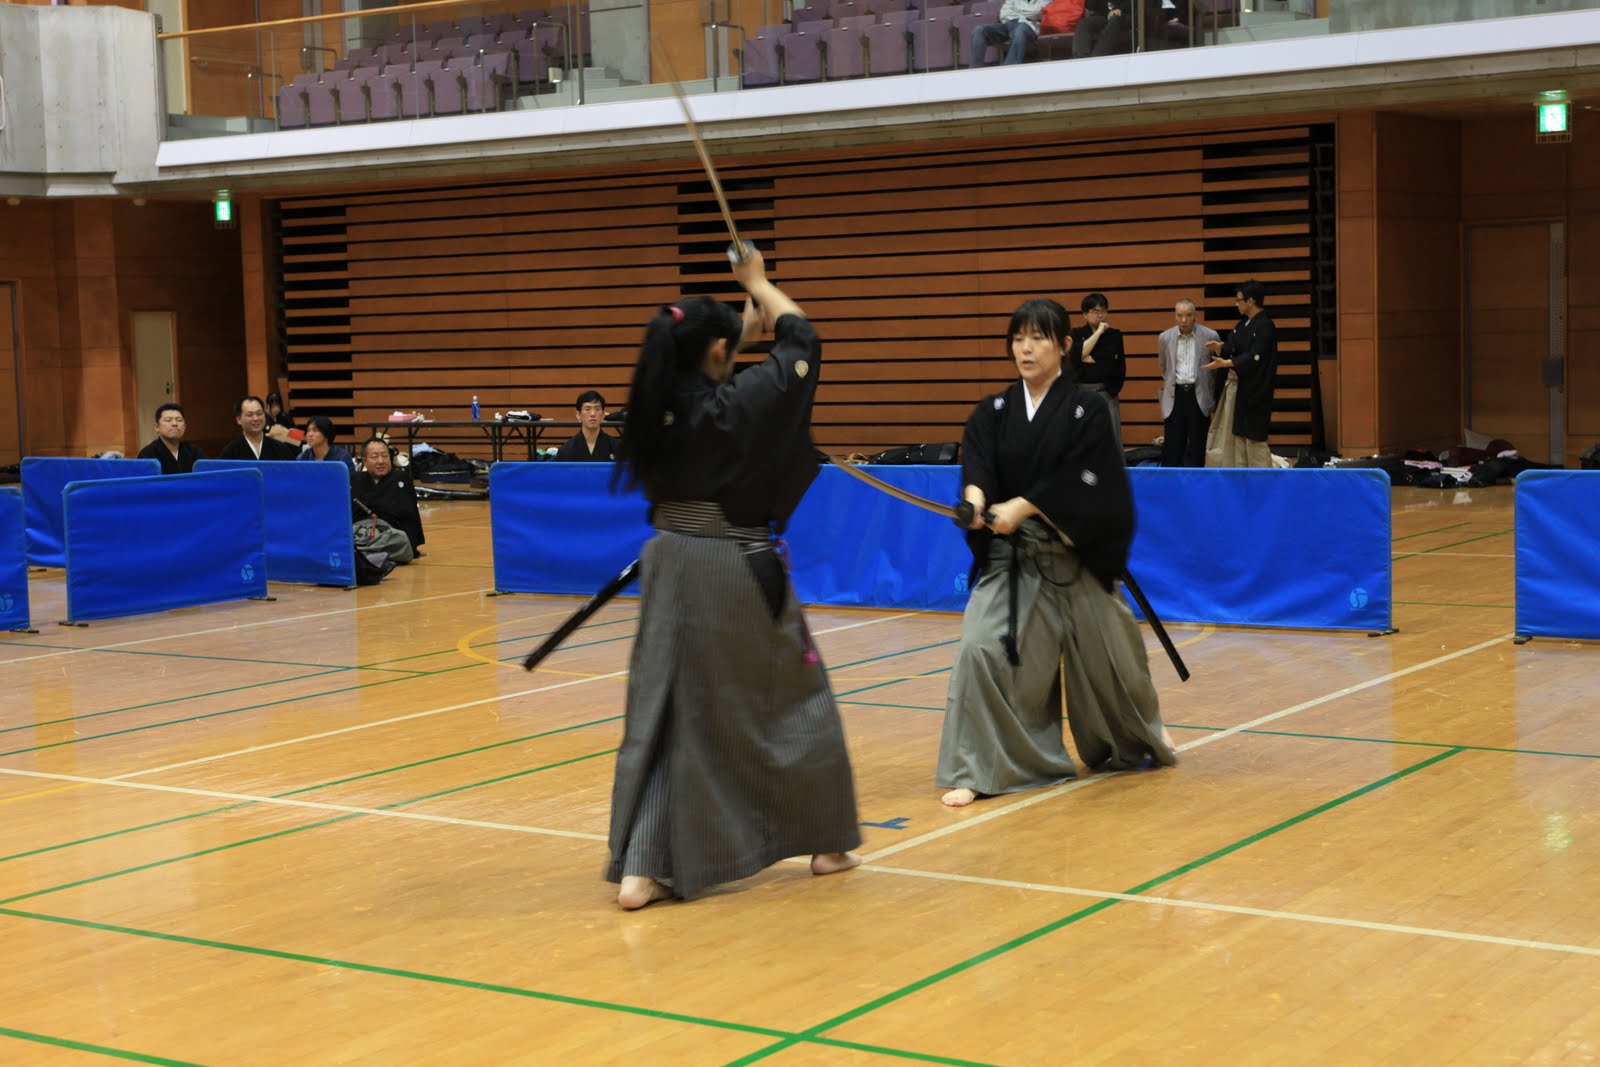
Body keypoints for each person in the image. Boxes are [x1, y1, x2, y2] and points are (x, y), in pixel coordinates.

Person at [606, 247, 860, 910]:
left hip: (672, 565)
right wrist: (759, 282)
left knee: (674, 712)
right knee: (797, 697)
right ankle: (826, 840)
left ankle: (645, 862)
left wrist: (736, 328)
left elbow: (723, 365)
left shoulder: (655, 404)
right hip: (734, 567)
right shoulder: (735, 406)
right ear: (719, 351)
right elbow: (802, 339)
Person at [937, 297, 1176, 808]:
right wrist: (977, 504)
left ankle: (1135, 739)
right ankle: (979, 765)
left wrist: (1022, 507)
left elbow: (1090, 481)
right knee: (980, 648)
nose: (1026, 347)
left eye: (1039, 337)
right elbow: (977, 468)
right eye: (1018, 337)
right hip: (1015, 563)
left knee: (1117, 667)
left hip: (1077, 558)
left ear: (1064, 346)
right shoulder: (992, 411)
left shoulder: (1088, 409)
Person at [1203, 279, 1277, 468]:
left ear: (1250, 301)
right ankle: (1241, 479)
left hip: (1254, 391)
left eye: (1239, 300)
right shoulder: (1242, 325)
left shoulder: (1265, 325)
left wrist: (1228, 362)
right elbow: (1233, 347)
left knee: (1253, 439)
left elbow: (1255, 357)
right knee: (1235, 438)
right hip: (1237, 391)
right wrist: (1220, 348)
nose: (1237, 304)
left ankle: (1261, 483)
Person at [1157, 299, 1219, 467]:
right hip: (1175, 394)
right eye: (1180, 315)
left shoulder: (1210, 335)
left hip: (1198, 395)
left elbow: (1216, 370)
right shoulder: (1164, 337)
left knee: (1199, 445)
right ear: (1175, 316)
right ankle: (1173, 487)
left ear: (1195, 316)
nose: (1184, 320)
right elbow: (1164, 367)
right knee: (1173, 447)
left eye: (1188, 315)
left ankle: (1198, 488)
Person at [1068, 292, 1126, 451]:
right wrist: (1099, 332)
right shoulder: (1075, 334)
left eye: (1104, 310)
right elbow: (1075, 358)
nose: (1100, 315)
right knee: (1080, 438)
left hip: (1105, 392)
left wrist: (1088, 357)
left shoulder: (1114, 335)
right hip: (1080, 393)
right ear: (1085, 314)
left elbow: (1111, 365)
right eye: (1094, 311)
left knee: (1111, 439)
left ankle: (1113, 474)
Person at [352, 437, 425, 558]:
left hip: (389, 535)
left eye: (385, 456)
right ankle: (371, 556)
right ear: (364, 461)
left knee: (400, 540)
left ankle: (365, 556)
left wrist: (413, 547)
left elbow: (410, 516)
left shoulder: (400, 478)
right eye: (375, 457)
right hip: (360, 532)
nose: (381, 461)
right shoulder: (354, 479)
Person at [970, 0, 1051, 66]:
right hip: (1008, 24)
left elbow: (1036, 13)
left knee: (1020, 31)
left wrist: (1015, 9)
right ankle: (975, 70)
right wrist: (1026, 12)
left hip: (1029, 25)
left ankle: (1009, 69)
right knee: (979, 30)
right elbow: (1004, 14)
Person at [219, 396, 299, 460]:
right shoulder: (230, 452)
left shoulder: (280, 448)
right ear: (239, 419)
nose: (256, 418)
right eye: (250, 415)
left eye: (259, 413)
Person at [136, 402, 205, 475]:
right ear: (157, 427)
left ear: (184, 426)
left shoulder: (194, 451)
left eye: (179, 420)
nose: (174, 423)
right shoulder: (147, 454)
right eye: (168, 420)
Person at [553, 390, 617, 462]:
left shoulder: (616, 447)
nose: (592, 414)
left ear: (603, 415)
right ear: (578, 415)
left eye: (597, 409)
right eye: (587, 409)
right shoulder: (566, 450)